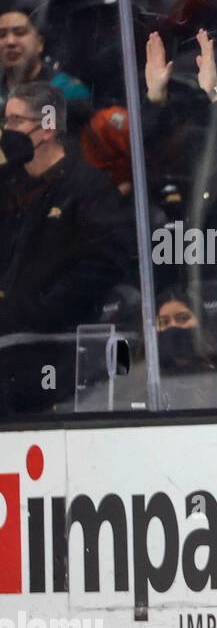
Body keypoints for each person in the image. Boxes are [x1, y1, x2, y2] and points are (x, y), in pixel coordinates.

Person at [0, 82, 133, 414]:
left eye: (15, 121)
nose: (6, 130)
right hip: (8, 350)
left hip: (57, 351)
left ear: (47, 126)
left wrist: (38, 310)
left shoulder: (89, 189)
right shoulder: (7, 186)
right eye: (5, 121)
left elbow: (102, 265)